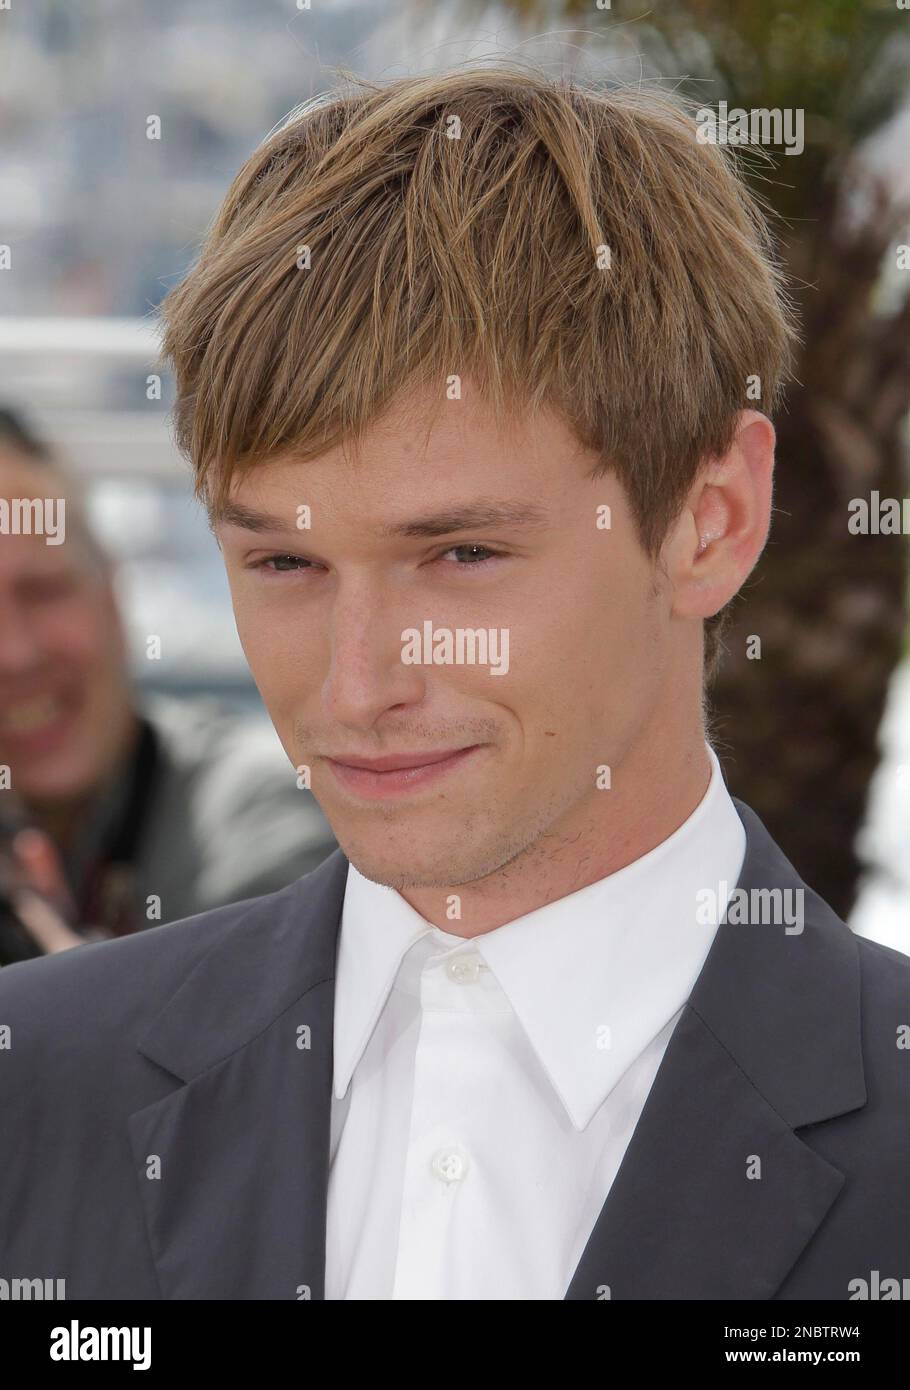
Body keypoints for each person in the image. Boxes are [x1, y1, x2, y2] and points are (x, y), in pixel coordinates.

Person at [1, 66, 908, 1301]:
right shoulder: (32, 1086)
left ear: (713, 519)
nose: (357, 683)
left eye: (461, 554)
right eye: (284, 560)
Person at [0, 409, 336, 966]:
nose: (15, 653)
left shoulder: (266, 806)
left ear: (112, 589)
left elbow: (252, 1017)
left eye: (45, 590)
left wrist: (63, 982)